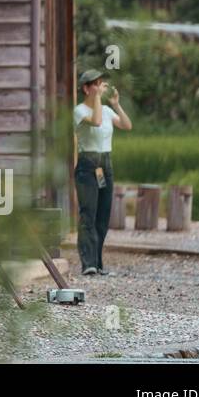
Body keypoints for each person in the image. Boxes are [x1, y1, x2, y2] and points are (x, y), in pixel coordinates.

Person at [73, 68, 131, 277]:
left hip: (105, 165)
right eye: (94, 84)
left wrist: (116, 105)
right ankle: (87, 263)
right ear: (85, 88)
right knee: (88, 213)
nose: (99, 87)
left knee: (103, 214)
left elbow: (127, 125)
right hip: (88, 165)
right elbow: (96, 121)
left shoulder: (106, 110)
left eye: (100, 83)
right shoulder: (80, 111)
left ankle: (97, 263)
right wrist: (97, 98)